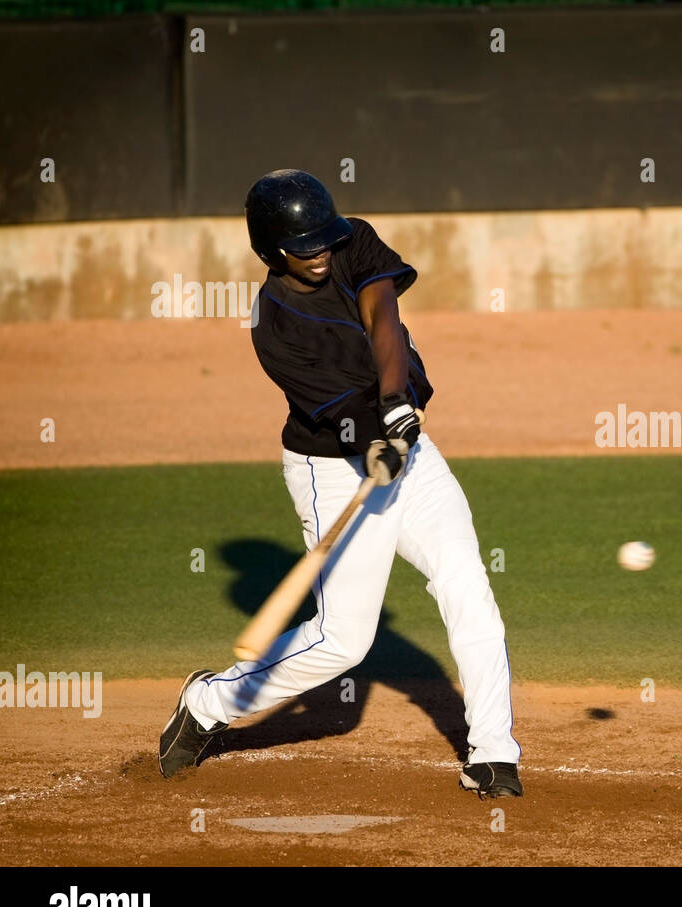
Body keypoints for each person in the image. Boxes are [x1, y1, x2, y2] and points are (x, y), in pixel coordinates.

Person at [158, 169, 522, 798]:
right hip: (334, 467)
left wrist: (396, 404)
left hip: (403, 439)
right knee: (343, 642)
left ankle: (494, 753)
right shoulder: (274, 327)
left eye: (324, 239)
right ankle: (209, 703)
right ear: (271, 250)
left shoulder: (352, 241)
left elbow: (383, 313)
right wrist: (381, 431)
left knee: (466, 581)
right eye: (306, 246)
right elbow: (346, 422)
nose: (322, 251)